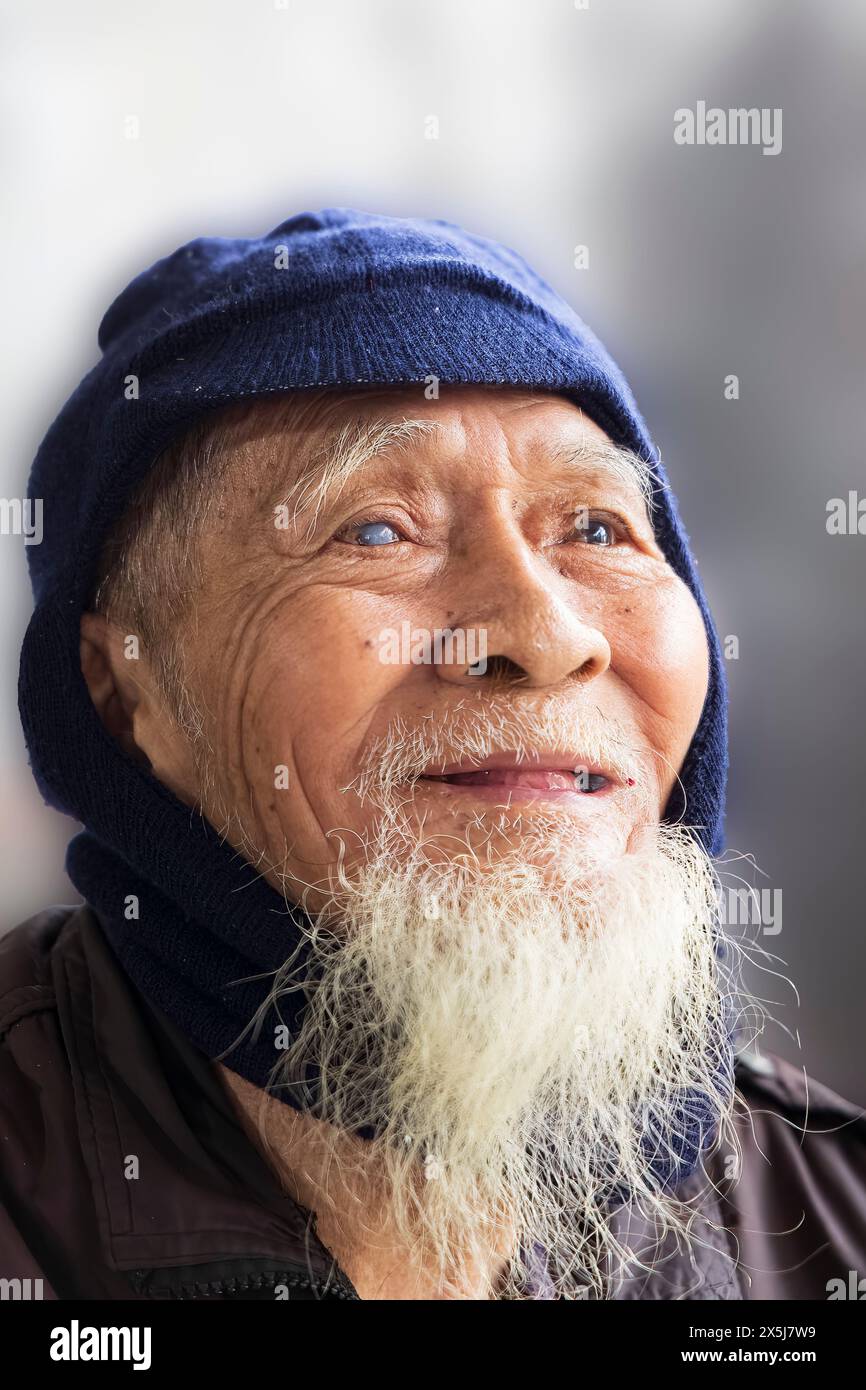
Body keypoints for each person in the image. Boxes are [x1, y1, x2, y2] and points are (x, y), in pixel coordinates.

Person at [2, 209, 864, 1301]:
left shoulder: (831, 1220)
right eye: (372, 531)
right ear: (122, 691)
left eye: (595, 529)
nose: (546, 636)